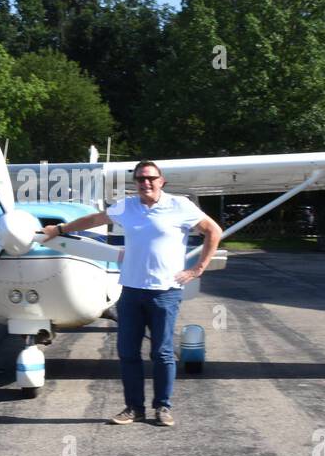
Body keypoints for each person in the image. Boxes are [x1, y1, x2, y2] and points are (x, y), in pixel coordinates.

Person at [41, 160, 222, 427]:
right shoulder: (127, 206)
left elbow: (213, 231)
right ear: (135, 183)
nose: (145, 183)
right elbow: (94, 219)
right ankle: (133, 408)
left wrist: (198, 269)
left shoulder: (180, 206)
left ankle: (162, 407)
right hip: (131, 291)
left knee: (161, 353)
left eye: (150, 178)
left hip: (165, 292)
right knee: (127, 353)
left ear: (162, 181)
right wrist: (59, 230)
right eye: (140, 179)